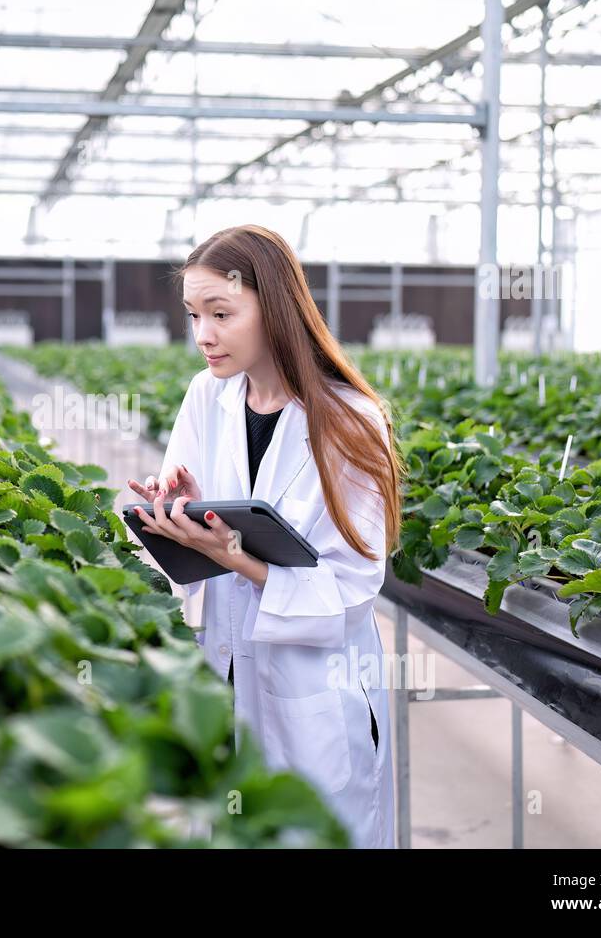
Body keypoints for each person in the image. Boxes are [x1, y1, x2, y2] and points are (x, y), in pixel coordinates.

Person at [126, 224, 403, 848]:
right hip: (226, 671)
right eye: (194, 315)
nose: (204, 335)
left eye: (221, 313)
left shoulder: (351, 422)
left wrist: (235, 556)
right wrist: (173, 512)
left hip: (316, 690)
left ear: (274, 307)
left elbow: (354, 589)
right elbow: (191, 531)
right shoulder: (207, 396)